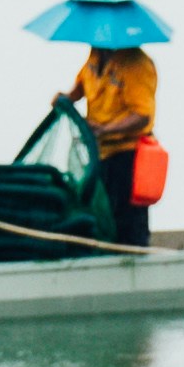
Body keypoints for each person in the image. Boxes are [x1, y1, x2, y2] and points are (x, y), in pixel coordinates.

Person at [72, 34, 166, 246]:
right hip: (101, 154)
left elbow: (142, 116)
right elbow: (82, 83)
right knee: (102, 214)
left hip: (129, 156)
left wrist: (106, 129)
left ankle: (134, 267)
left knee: (128, 221)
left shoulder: (137, 63)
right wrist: (69, 97)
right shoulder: (96, 55)